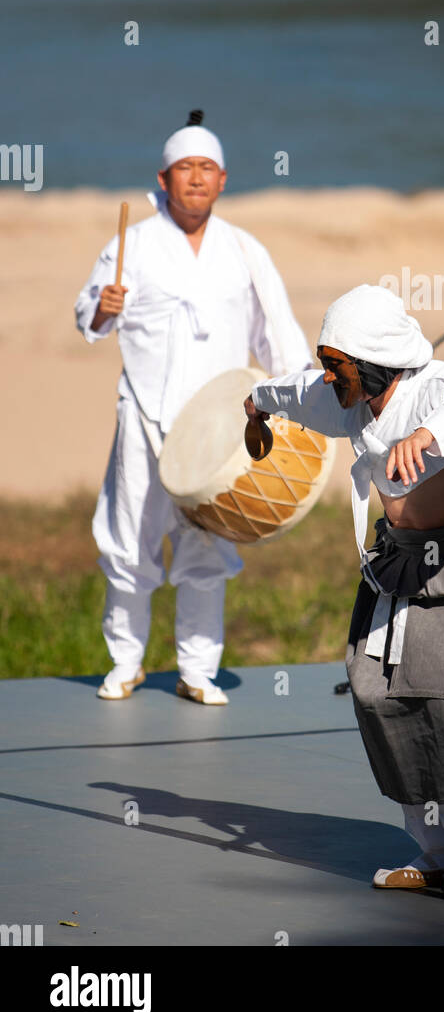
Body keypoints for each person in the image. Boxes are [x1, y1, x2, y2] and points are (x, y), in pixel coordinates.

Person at [245, 283, 444, 894]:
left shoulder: (439, 387)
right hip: (401, 560)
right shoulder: (347, 400)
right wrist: (256, 403)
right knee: (373, 689)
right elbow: (294, 391)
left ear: (371, 360)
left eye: (336, 365)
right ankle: (433, 849)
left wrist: (427, 436)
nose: (326, 378)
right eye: (326, 364)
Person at [75, 112, 312, 705]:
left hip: (220, 425)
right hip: (145, 414)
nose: (197, 178)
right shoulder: (131, 244)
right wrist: (105, 306)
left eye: (207, 168)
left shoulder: (245, 249)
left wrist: (300, 391)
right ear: (164, 178)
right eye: (186, 168)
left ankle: (197, 670)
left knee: (206, 548)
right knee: (130, 541)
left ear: (223, 180)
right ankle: (125, 663)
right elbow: (91, 317)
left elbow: (275, 331)